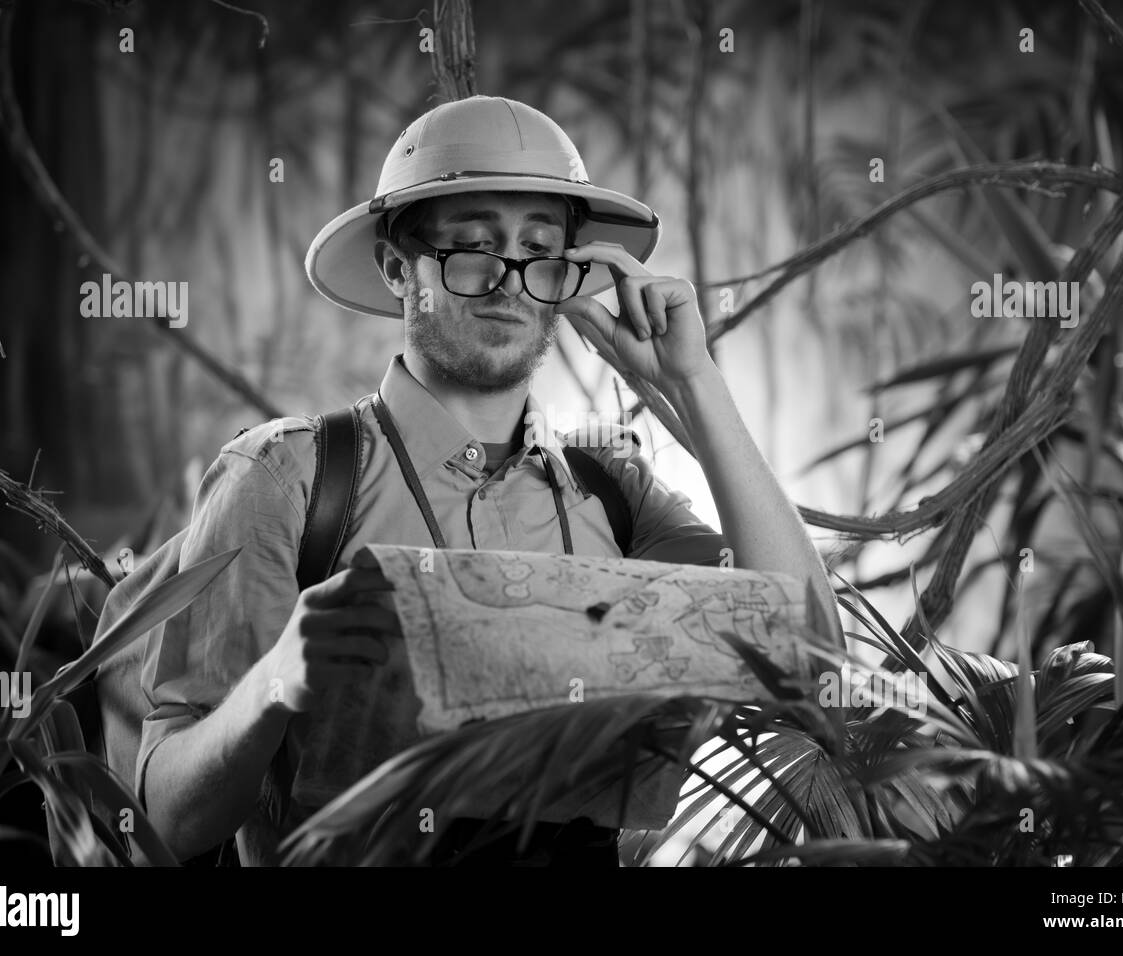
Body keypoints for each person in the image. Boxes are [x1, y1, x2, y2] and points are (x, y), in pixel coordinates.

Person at [135, 95, 837, 866]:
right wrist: (274, 681)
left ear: (568, 279)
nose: (510, 282)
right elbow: (169, 820)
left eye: (540, 251)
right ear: (400, 269)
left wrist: (694, 382)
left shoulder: (611, 489)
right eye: (473, 248)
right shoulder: (286, 477)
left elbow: (809, 653)